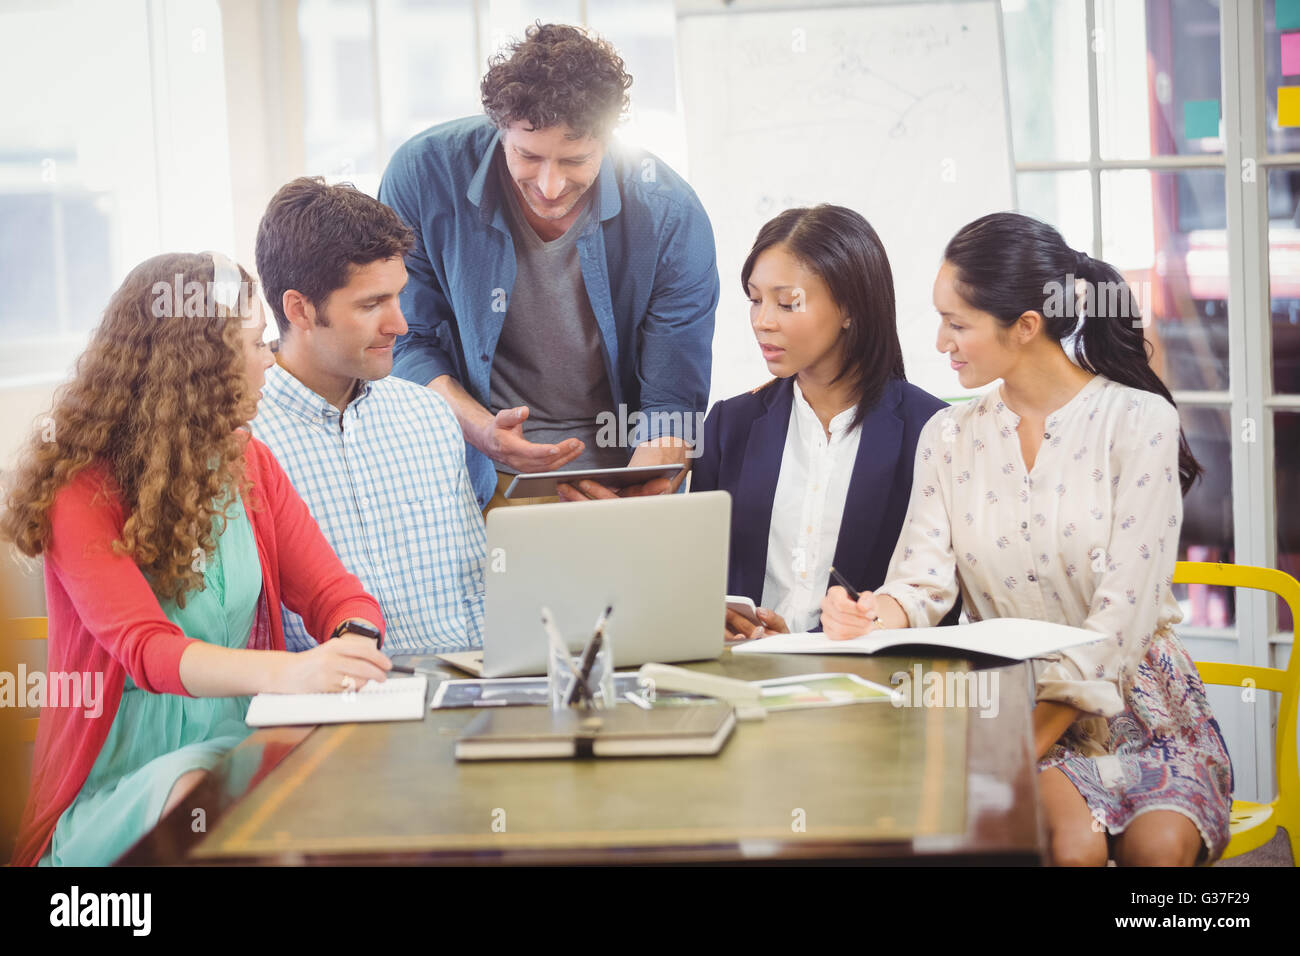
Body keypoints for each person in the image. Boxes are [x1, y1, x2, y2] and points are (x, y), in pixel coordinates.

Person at [820, 212, 1233, 866]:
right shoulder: (950, 438)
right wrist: (874, 612)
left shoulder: (1138, 422)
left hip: (1141, 709)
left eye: (958, 324)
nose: (940, 341)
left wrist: (1029, 734)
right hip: (1019, 700)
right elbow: (922, 582)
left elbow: (1122, 618)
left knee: (1161, 850)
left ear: (1027, 326)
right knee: (1073, 846)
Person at [2, 253, 392, 866]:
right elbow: (148, 651)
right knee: (201, 798)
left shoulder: (250, 464)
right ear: (197, 366)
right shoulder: (81, 489)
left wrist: (351, 642)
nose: (269, 358)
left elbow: (333, 593)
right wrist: (291, 674)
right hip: (124, 780)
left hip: (241, 737)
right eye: (255, 343)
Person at [378, 22, 718, 509]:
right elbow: (409, 340)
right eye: (527, 155)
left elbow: (673, 405)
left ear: (608, 137)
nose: (550, 185)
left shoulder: (669, 214)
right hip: (464, 467)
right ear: (499, 128)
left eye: (576, 160)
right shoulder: (423, 174)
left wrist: (638, 501)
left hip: (616, 476)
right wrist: (481, 431)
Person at [691, 205, 958, 638]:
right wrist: (722, 622)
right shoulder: (728, 425)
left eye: (786, 302)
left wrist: (804, 644)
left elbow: (938, 597)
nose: (763, 321)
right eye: (755, 300)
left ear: (850, 308)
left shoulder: (931, 430)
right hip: (746, 677)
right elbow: (696, 577)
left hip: (869, 687)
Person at [250, 177, 487, 653]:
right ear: (298, 309)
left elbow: (477, 590)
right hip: (325, 706)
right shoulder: (241, 438)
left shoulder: (427, 415)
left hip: (457, 692)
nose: (400, 324)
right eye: (372, 304)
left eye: (398, 295)